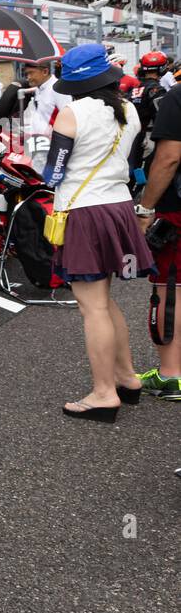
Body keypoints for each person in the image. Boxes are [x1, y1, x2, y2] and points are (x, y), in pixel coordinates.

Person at [42, 45, 152, 421]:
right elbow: (134, 162)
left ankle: (105, 393)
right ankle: (127, 377)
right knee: (105, 302)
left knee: (92, 307)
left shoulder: (72, 114)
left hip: (84, 211)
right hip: (119, 206)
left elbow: (54, 174)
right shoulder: (129, 110)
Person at [135, 81, 181, 401]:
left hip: (177, 209)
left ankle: (171, 376)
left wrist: (145, 207)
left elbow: (168, 157)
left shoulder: (177, 97)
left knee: (170, 287)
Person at [128, 51, 171, 184]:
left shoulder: (135, 88)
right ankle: (138, 198)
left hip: (133, 134)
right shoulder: (156, 90)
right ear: (161, 68)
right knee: (145, 171)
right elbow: (163, 117)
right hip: (148, 137)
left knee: (135, 166)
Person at [22, 60, 71, 174]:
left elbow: (69, 119)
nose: (28, 77)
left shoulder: (58, 89)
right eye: (26, 74)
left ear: (45, 71)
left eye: (31, 73)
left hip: (53, 149)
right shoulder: (39, 88)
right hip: (39, 146)